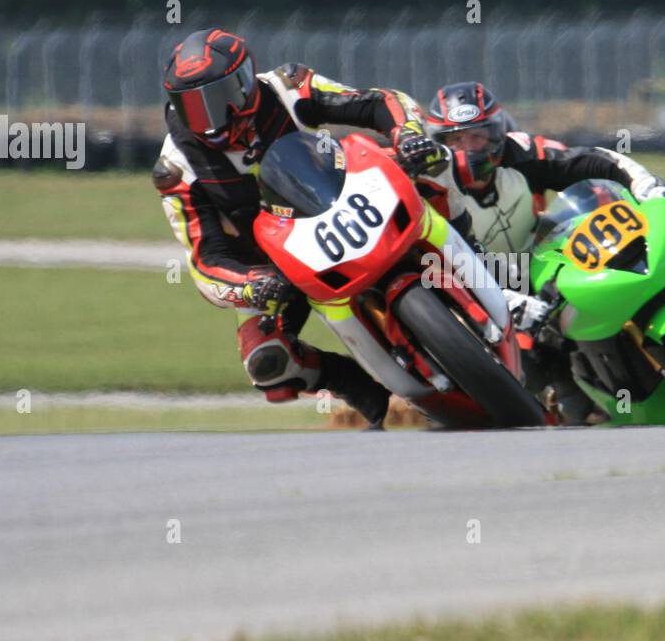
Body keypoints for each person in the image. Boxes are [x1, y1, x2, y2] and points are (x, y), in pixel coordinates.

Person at [154, 27, 458, 427]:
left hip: (346, 199)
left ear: (244, 82)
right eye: (193, 106)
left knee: (439, 167)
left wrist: (409, 135)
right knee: (266, 362)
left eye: (217, 99)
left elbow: (378, 103)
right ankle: (361, 389)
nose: (210, 119)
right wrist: (249, 282)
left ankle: (482, 261)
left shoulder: (289, 86)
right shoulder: (175, 167)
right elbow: (205, 259)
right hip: (278, 262)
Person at [424, 81, 665, 423]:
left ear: (496, 135)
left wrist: (647, 186)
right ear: (440, 143)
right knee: (530, 360)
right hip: (484, 288)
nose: (469, 149)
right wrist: (503, 299)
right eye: (456, 140)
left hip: (542, 257)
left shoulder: (521, 152)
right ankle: (579, 410)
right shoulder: (431, 190)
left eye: (477, 136)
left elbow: (593, 162)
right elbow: (432, 267)